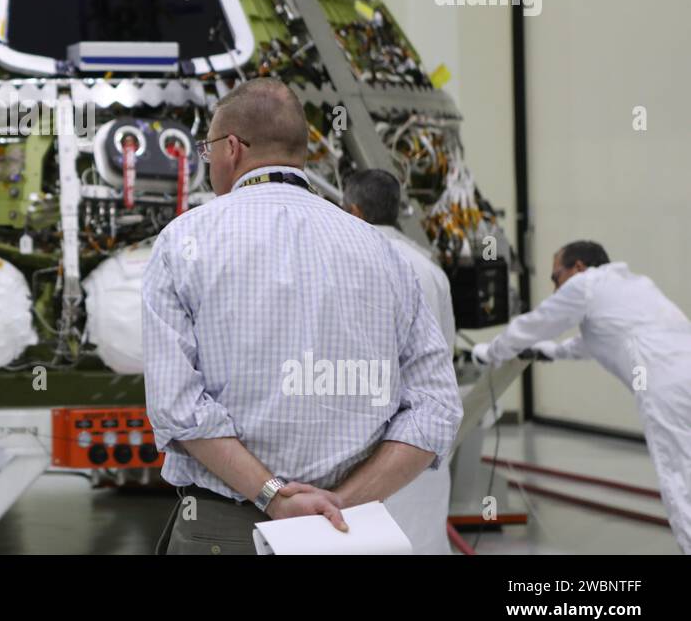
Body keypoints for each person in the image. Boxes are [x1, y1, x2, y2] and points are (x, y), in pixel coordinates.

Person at [142, 79, 462, 554]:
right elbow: (436, 410)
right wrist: (341, 504)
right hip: (350, 535)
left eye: (208, 150)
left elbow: (177, 408)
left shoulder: (183, 242)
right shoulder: (383, 251)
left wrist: (273, 497)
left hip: (227, 532)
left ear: (231, 148)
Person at [473, 241, 691, 553]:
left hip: (665, 386)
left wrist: (491, 352)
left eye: (555, 277)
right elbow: (596, 341)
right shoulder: (633, 286)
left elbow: (535, 325)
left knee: (679, 479)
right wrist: (549, 352)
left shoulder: (585, 285)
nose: (554, 287)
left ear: (578, 268)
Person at [342, 168, 457, 554]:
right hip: (422, 441)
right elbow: (445, 354)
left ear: (353, 211)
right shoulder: (431, 269)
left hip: (365, 445)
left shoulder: (349, 264)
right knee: (422, 535)